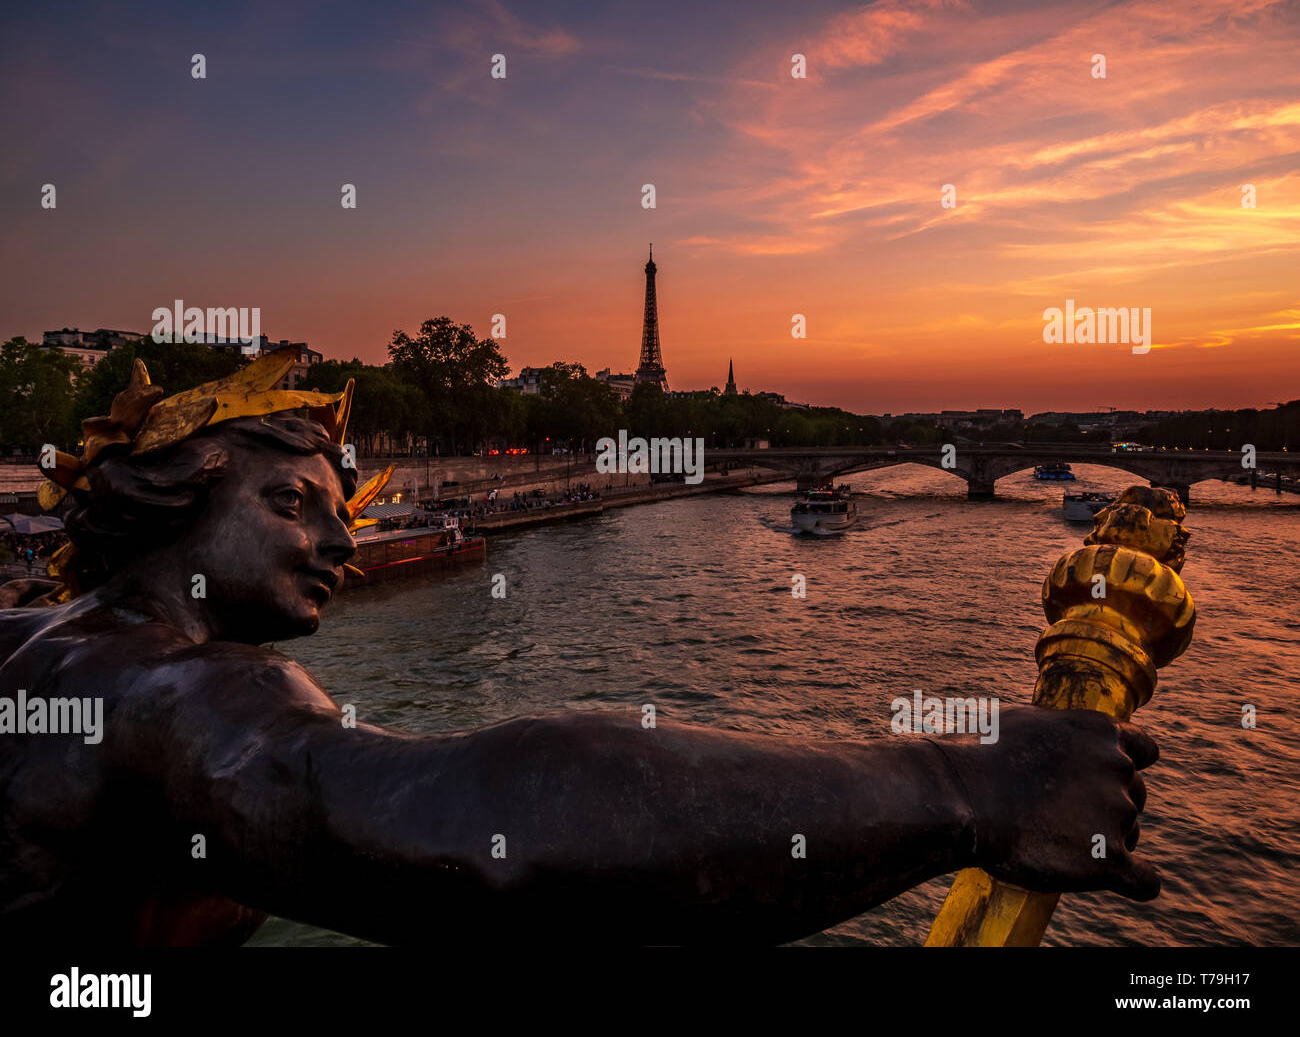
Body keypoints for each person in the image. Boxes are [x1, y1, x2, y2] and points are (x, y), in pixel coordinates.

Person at [0, 365, 1160, 947]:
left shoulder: (40, 650)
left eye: (345, 507)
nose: (341, 539)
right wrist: (957, 784)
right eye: (296, 501)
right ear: (177, 495)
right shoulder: (171, 690)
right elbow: (495, 823)